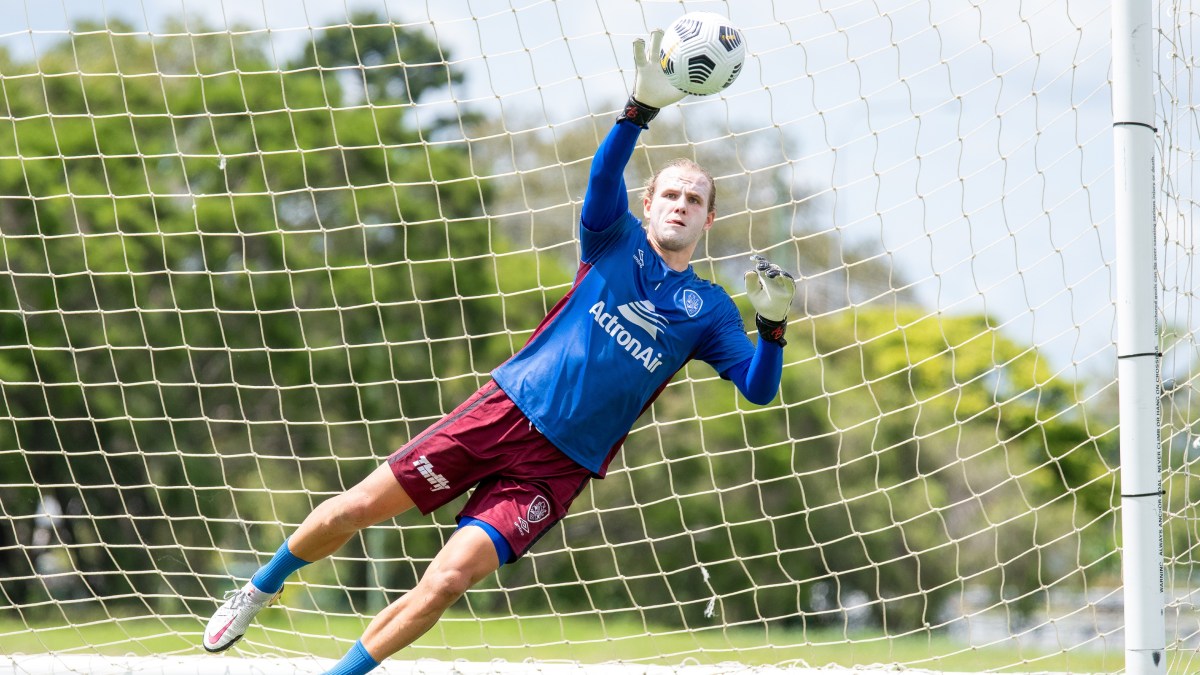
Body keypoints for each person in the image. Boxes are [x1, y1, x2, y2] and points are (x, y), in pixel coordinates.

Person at [201, 28, 796, 675]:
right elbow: (602, 176)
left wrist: (771, 326)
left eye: (696, 199)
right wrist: (638, 110)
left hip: (557, 468)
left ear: (708, 220)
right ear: (648, 205)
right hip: (503, 411)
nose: (682, 204)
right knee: (355, 508)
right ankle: (260, 585)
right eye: (672, 194)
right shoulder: (612, 239)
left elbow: (758, 387)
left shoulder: (708, 308)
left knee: (448, 581)